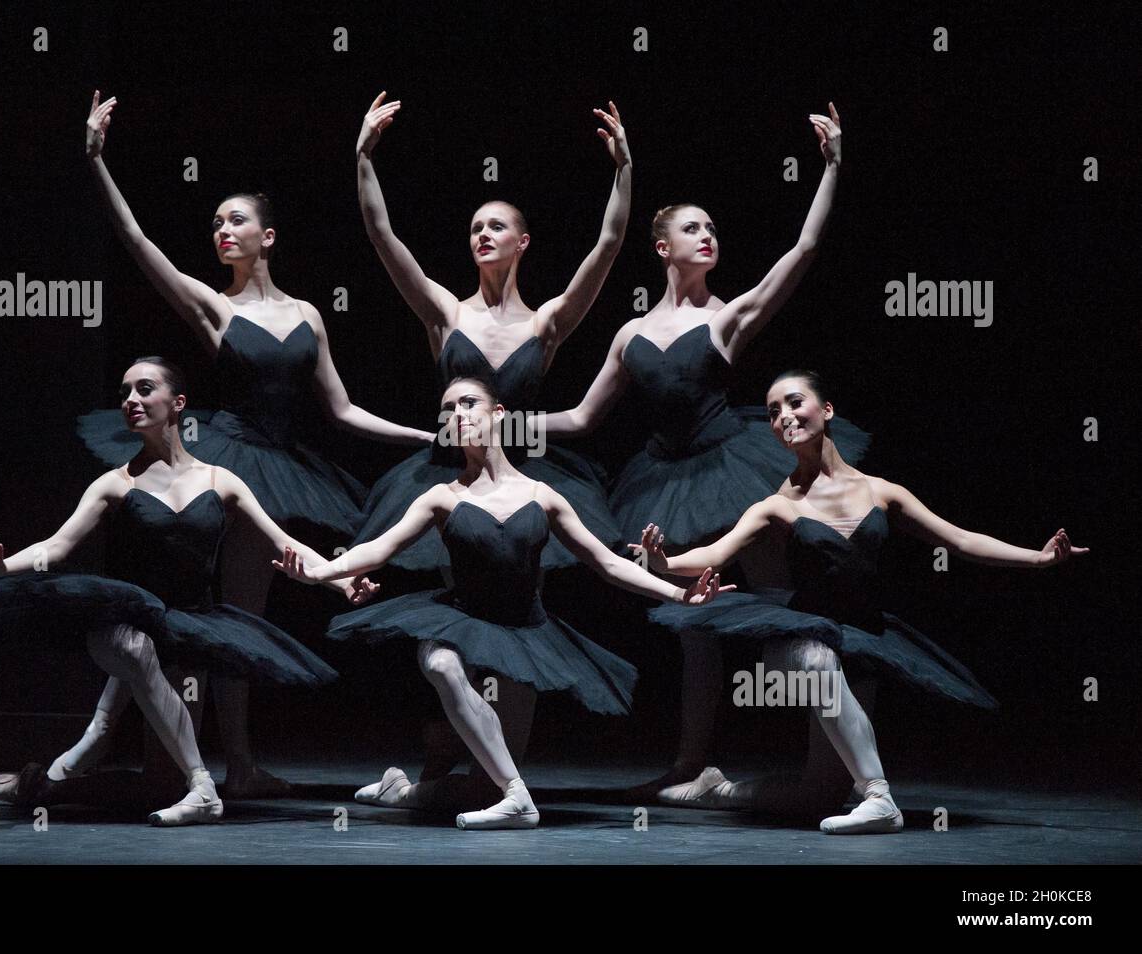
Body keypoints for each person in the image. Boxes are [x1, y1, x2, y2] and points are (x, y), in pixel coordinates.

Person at [77, 92, 426, 796]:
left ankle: (235, 760)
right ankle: (164, 758)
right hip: (223, 460)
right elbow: (141, 247)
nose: (222, 230)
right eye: (215, 223)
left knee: (245, 614)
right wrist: (96, 161)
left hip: (282, 465)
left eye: (236, 219)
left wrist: (420, 433)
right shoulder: (215, 306)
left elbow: (344, 410)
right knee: (186, 607)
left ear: (269, 236)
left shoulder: (306, 314)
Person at [538, 103, 871, 791]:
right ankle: (693, 764)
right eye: (694, 228)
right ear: (663, 248)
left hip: (739, 469)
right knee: (693, 628)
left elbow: (801, 253)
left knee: (787, 607)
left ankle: (826, 763)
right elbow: (580, 417)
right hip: (664, 482)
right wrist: (513, 425)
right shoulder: (630, 336)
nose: (708, 236)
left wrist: (833, 166)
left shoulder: (726, 319)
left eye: (713, 228)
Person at [632, 370, 1087, 833]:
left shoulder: (881, 491)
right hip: (801, 630)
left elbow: (961, 539)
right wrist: (663, 561)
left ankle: (715, 790)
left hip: (864, 638)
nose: (783, 417)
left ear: (826, 411)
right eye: (773, 412)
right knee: (814, 659)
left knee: (821, 793)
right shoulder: (776, 504)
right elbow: (714, 554)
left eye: (793, 403)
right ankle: (879, 797)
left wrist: (1037, 558)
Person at [280, 374, 726, 829]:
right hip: (460, 618)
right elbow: (378, 548)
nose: (458, 415)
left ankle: (405, 792)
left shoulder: (542, 496)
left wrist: (677, 592)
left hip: (524, 636)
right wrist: (320, 572)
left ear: (499, 415)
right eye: (449, 409)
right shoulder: (442, 497)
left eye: (469, 403)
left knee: (482, 787)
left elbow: (607, 564)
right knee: (440, 666)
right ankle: (519, 799)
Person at [0, 358, 376, 825]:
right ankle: (204, 787)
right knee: (133, 648)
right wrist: (3, 566)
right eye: (125, 393)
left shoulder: (222, 481)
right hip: (124, 619)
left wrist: (341, 580)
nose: (131, 401)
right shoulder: (114, 484)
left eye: (144, 389)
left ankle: (43, 784)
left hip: (188, 633)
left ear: (178, 404)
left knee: (150, 773)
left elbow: (287, 546)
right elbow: (56, 546)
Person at [350, 91, 632, 570]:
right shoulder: (446, 313)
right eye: (476, 227)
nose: (482, 234)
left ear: (521, 242)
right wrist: (363, 157)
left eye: (496, 227)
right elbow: (382, 234)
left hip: (524, 470)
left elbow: (607, 245)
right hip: (446, 472)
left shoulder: (546, 322)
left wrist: (625, 170)